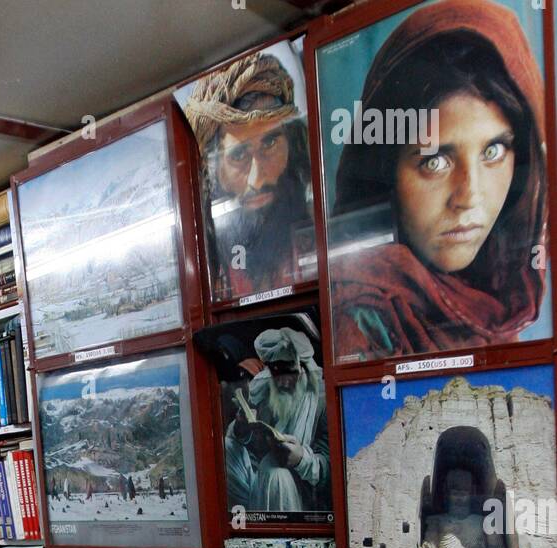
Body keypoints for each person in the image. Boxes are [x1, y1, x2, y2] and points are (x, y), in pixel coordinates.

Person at [330, 0, 548, 361]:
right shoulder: (362, 320)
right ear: (385, 173)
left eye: (493, 152)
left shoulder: (498, 297)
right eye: (435, 161)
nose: (470, 197)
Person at [185, 49, 313, 297]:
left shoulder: (323, 233)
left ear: (291, 143)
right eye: (238, 156)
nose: (258, 179)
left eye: (270, 144)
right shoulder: (206, 266)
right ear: (212, 171)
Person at [225, 326, 329, 512]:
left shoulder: (322, 399)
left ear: (302, 367)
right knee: (227, 447)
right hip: (259, 481)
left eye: (289, 372)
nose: (282, 381)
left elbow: (330, 470)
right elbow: (248, 447)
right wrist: (241, 427)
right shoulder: (263, 390)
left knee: (276, 473)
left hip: (298, 492)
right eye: (276, 372)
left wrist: (300, 459)